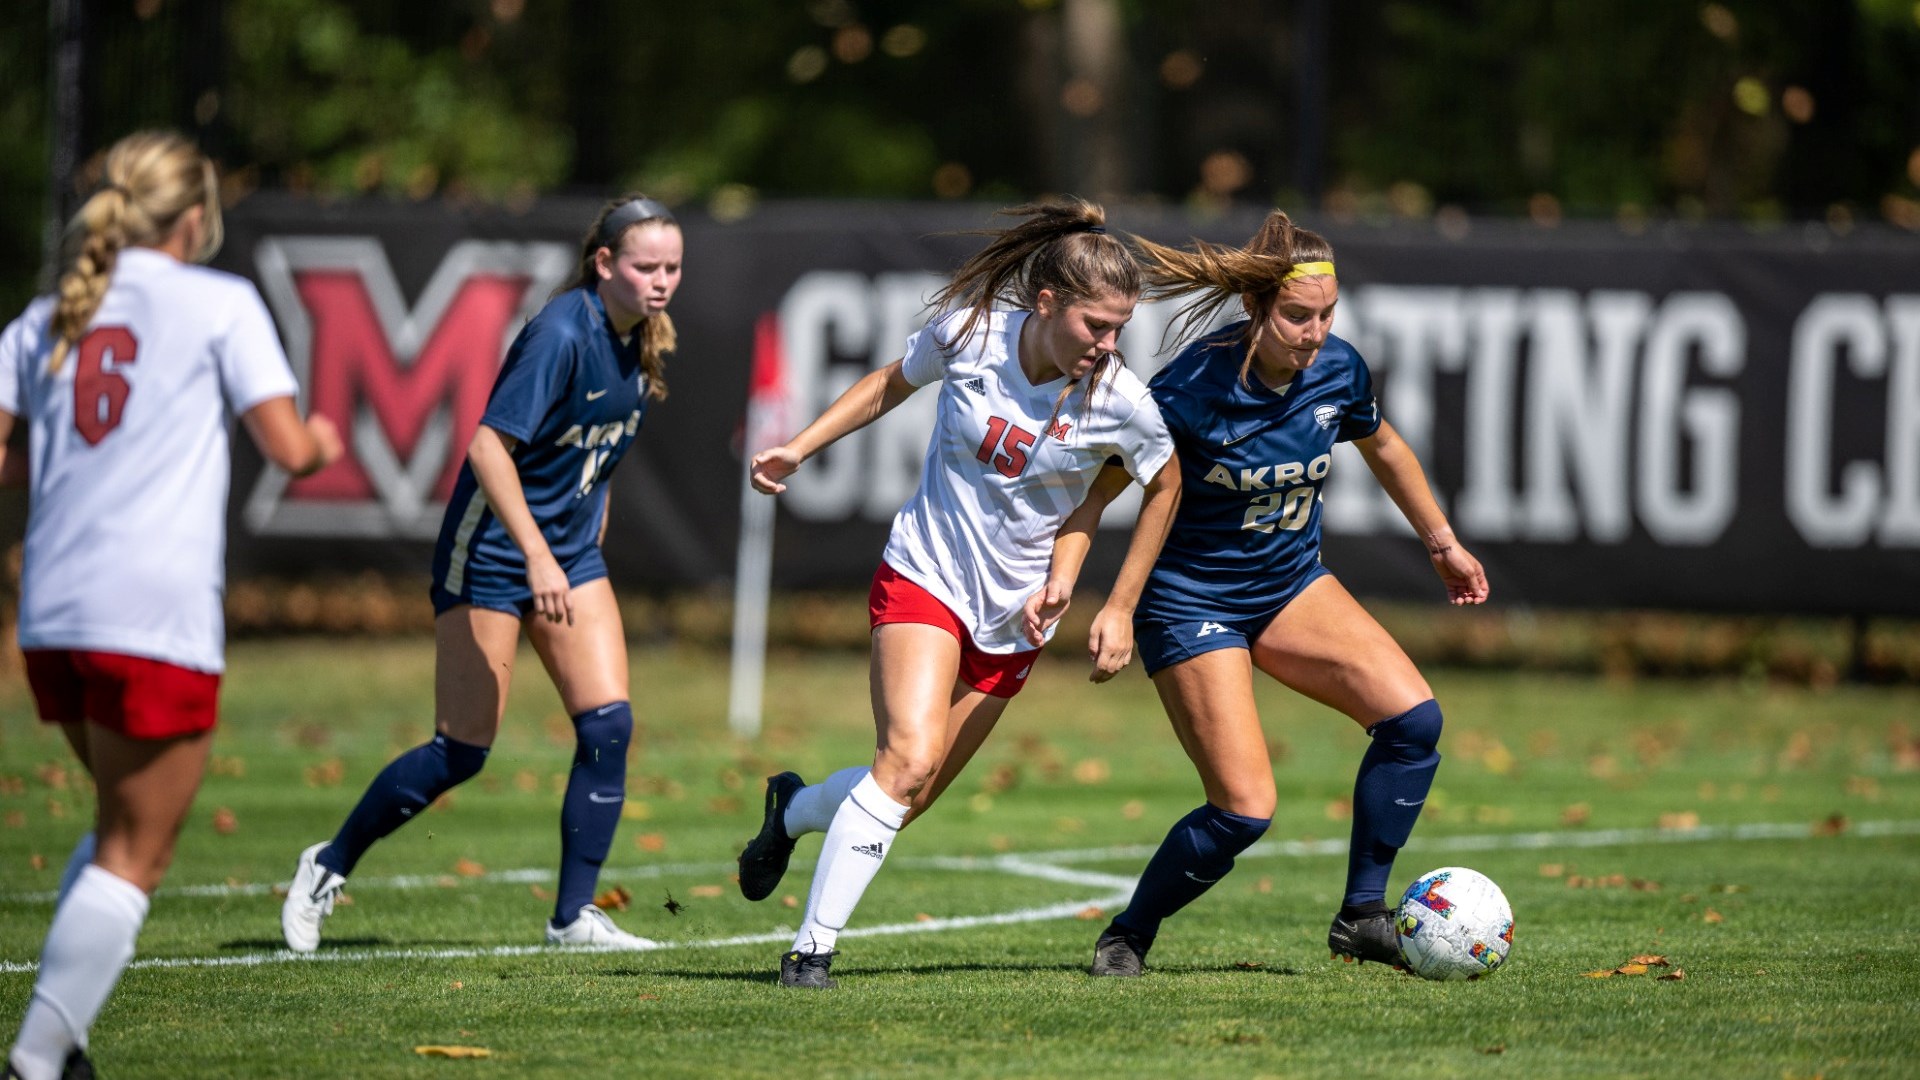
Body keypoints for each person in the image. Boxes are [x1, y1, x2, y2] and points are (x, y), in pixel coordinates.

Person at [734, 199, 1180, 989]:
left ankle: (796, 809)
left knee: (909, 793)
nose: (1109, 346)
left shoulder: (1120, 400)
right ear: (1047, 302)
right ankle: (811, 952)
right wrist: (800, 448)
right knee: (906, 758)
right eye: (1095, 326)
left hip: (1015, 616)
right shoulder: (971, 332)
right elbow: (887, 384)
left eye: (1120, 329)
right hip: (924, 575)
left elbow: (1163, 482)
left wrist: (1112, 602)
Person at [1, 131, 343, 1080]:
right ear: (194, 218)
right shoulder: (217, 303)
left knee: (114, 824)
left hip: (53, 608)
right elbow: (285, 443)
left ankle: (60, 1049)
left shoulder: (45, 316)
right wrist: (319, 437)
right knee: (134, 851)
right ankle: (35, 1059)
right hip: (149, 610)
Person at [1081, 211, 1489, 977]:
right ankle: (1128, 935)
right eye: (1298, 316)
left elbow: (1386, 444)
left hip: (1291, 586)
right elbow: (1104, 494)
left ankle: (1362, 916)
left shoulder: (1338, 369)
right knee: (1243, 809)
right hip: (1191, 600)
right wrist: (1113, 605)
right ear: (1256, 309)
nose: (1314, 332)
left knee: (1414, 722)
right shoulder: (1189, 390)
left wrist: (1442, 541)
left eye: (1328, 314)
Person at [281, 194, 683, 953]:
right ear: (604, 264)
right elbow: (489, 448)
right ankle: (327, 865)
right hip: (495, 552)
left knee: (609, 726)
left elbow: (590, 438)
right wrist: (535, 555)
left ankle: (571, 917)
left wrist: (592, 509)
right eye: (645, 266)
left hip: (569, 554)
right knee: (461, 750)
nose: (661, 280)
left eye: (672, 267)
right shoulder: (564, 330)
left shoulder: (643, 335)